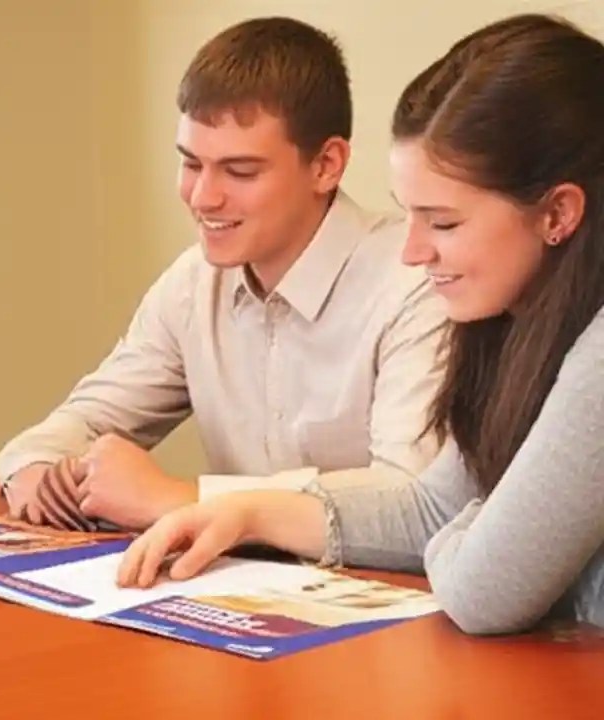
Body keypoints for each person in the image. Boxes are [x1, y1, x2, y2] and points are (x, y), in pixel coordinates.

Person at [118, 14, 604, 635]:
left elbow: (483, 593)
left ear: (558, 212)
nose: (414, 251)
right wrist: (246, 514)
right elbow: (433, 506)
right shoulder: (513, 322)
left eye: (444, 223)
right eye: (411, 216)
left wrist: (478, 527)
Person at [0, 17, 448, 531]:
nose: (203, 197)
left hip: (394, 597)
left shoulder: (415, 281)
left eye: (240, 172)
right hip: (242, 592)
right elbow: (85, 421)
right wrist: (34, 467)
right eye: (191, 164)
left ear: (326, 165)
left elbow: (410, 494)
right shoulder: (193, 284)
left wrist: (185, 499)